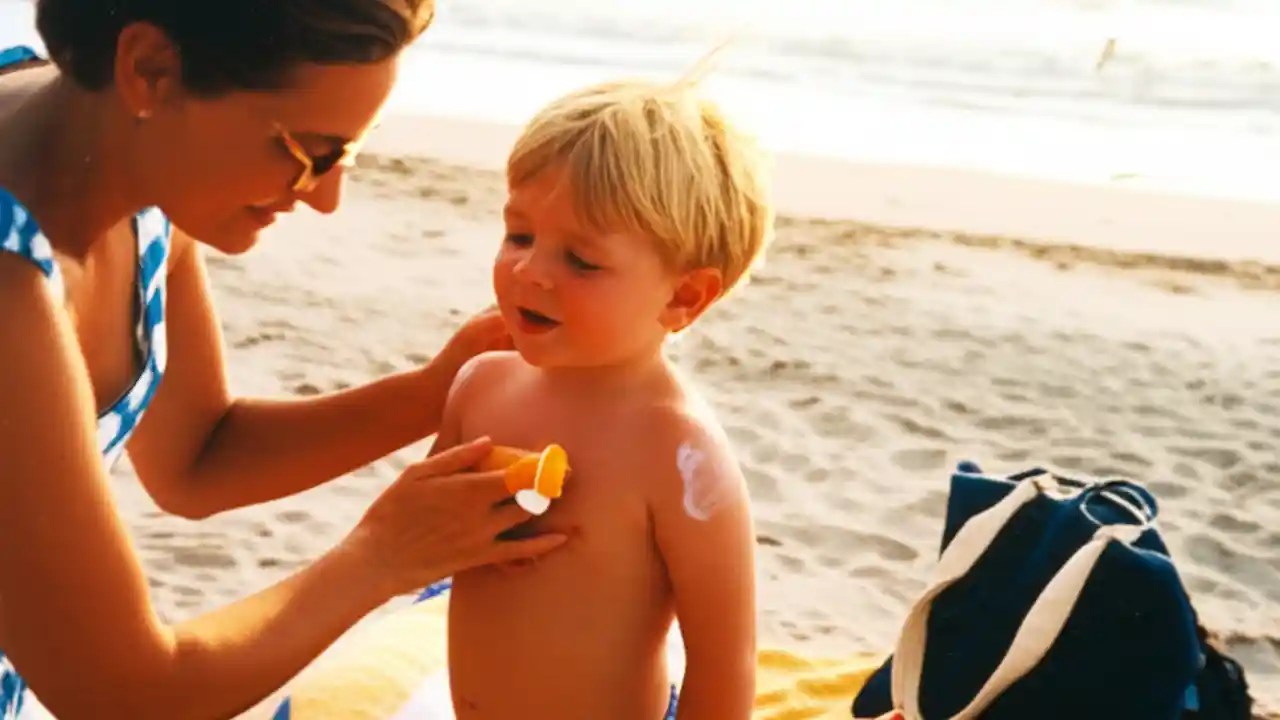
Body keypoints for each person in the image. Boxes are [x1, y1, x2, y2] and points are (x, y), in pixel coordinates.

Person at [0, 2, 564, 718]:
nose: (326, 198)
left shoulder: (120, 154)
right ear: (149, 70)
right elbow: (122, 692)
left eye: (348, 155)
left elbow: (196, 456)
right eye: (307, 152)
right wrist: (382, 558)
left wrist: (437, 388)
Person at [429, 70, 774, 719]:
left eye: (581, 261)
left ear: (683, 297)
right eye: (519, 235)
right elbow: (418, 542)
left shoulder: (677, 451)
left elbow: (725, 657)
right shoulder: (480, 388)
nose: (530, 271)